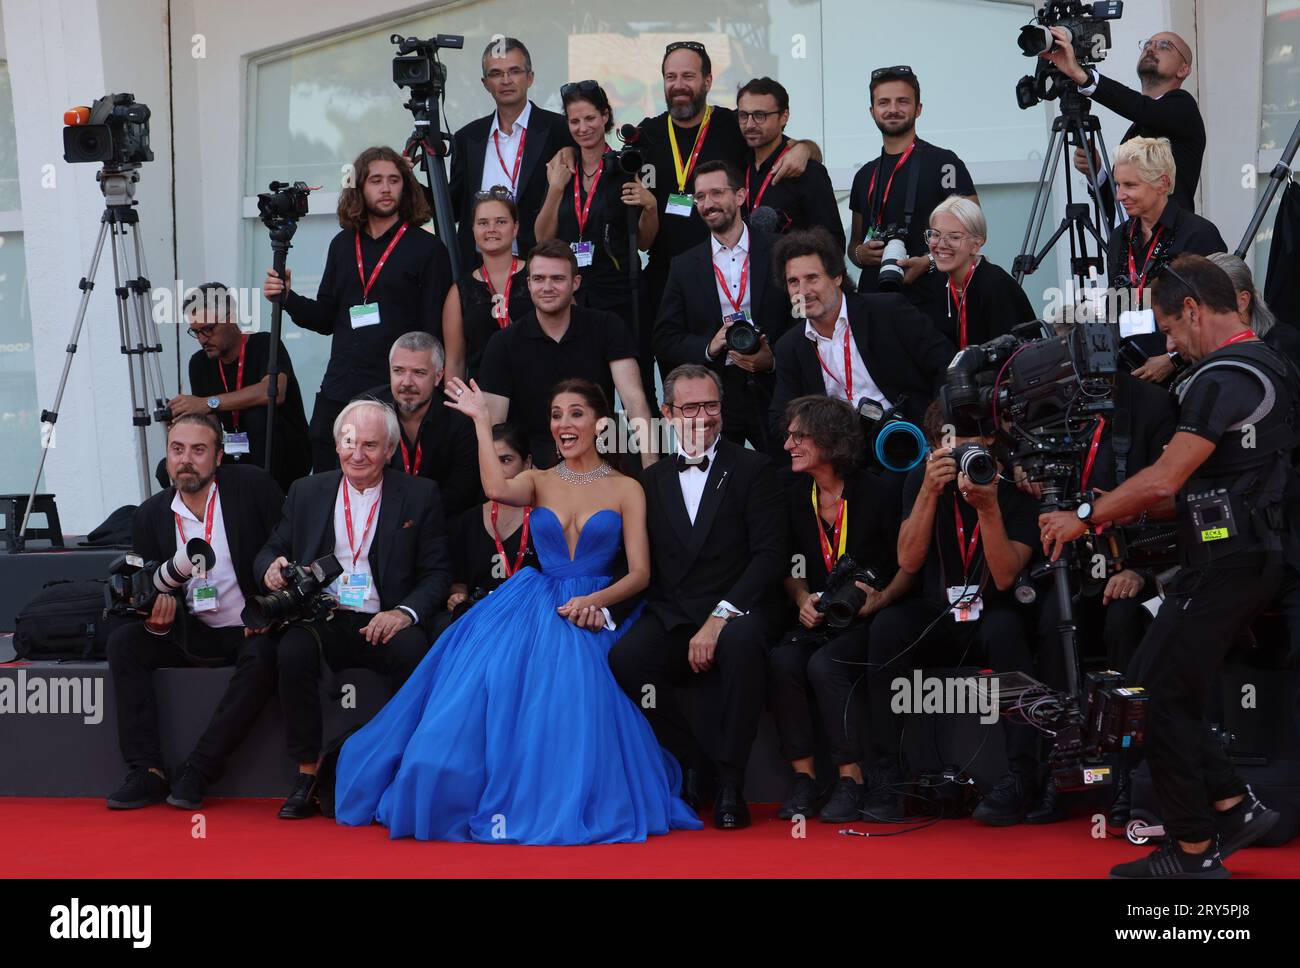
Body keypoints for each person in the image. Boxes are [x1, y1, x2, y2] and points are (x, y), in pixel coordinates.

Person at [332, 377, 702, 844]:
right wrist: (482, 422)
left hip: (591, 609)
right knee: (487, 681)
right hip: (532, 603)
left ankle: (553, 797)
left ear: (601, 423)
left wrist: (595, 601)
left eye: (575, 413)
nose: (564, 424)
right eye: (556, 414)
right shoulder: (539, 480)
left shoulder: (627, 488)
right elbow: (493, 485)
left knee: (574, 698)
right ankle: (478, 788)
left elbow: (641, 573)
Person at [1039, 255, 1299, 877]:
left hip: (1231, 562)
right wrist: (1121, 513)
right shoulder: (1258, 369)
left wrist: (1086, 514)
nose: (1168, 344)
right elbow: (1202, 490)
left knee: (1149, 698)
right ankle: (1233, 810)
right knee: (1159, 695)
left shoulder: (1226, 375)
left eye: (1169, 328)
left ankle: (1193, 849)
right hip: (1236, 557)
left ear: (1191, 309)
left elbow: (1163, 480)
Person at [608, 364, 789, 829]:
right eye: (691, 407)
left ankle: (731, 781)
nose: (703, 416)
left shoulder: (754, 468)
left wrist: (719, 618)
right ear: (668, 413)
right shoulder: (647, 483)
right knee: (626, 658)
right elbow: (637, 566)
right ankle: (692, 760)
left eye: (712, 405)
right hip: (673, 613)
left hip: (738, 608)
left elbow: (769, 558)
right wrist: (602, 610)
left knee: (743, 643)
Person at [254, 399, 451, 820]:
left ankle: (403, 769)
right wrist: (270, 567)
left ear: (390, 450)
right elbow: (273, 547)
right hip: (325, 617)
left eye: (370, 444)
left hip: (386, 618)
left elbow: (437, 574)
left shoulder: (420, 494)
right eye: (348, 442)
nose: (357, 454)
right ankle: (307, 774)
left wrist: (403, 613)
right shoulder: (307, 491)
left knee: (416, 653)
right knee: (291, 651)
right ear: (336, 443)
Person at [865, 403, 1042, 824]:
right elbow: (908, 560)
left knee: (1006, 632)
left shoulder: (1014, 485)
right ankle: (887, 775)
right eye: (951, 449)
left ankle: (1022, 776)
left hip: (994, 610)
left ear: (991, 444)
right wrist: (928, 491)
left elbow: (1003, 577)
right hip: (938, 611)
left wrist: (988, 507)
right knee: (887, 628)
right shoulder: (920, 481)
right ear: (933, 449)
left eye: (972, 448)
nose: (962, 460)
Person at [105, 414, 284, 811]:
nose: (186, 460)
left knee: (266, 657)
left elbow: (283, 548)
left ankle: (199, 770)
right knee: (125, 644)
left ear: (219, 456)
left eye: (198, 450)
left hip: (252, 625)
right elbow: (148, 585)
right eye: (177, 450)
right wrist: (154, 617)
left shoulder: (253, 488)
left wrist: (271, 611)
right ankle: (146, 771)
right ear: (167, 458)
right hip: (191, 628)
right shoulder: (151, 514)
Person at [635, 41, 819, 396]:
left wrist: (806, 148)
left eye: (688, 75)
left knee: (761, 391)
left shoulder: (730, 124)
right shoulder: (648, 134)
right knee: (688, 397)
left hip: (739, 271)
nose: (679, 84)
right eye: (671, 76)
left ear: (707, 79)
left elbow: (790, 146)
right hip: (672, 282)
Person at [262, 145, 454, 473]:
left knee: (383, 480)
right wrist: (288, 297)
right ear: (359, 187)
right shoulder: (342, 244)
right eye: (376, 180)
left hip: (391, 392)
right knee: (325, 468)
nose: (386, 188)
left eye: (395, 180)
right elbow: (326, 317)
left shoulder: (428, 249)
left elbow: (432, 332)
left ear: (406, 187)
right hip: (339, 384)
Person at [769, 396, 910, 823]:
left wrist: (878, 598)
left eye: (800, 437)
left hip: (872, 617)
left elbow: (908, 564)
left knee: (825, 666)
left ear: (830, 441)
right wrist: (801, 599)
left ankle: (852, 778)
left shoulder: (879, 492)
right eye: (788, 436)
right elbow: (787, 564)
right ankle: (804, 779)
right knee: (782, 661)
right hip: (818, 616)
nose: (789, 445)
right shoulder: (792, 495)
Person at [475, 240, 655, 469]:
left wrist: (651, 465)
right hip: (536, 467)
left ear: (575, 283)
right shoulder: (503, 343)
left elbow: (634, 400)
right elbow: (495, 426)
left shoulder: (607, 326)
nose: (547, 287)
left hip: (602, 455)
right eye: (539, 279)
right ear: (529, 284)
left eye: (557, 278)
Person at [653, 161, 793, 451]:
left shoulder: (782, 250)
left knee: (785, 478)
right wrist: (708, 346)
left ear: (740, 196)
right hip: (715, 393)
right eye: (700, 196)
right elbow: (665, 339)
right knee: (721, 483)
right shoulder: (683, 265)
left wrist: (773, 359)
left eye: (716, 193)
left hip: (775, 386)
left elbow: (803, 320)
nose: (707, 204)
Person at [770, 228, 956, 442]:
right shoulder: (790, 347)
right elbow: (779, 420)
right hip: (842, 456)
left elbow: (946, 364)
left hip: (910, 440)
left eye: (812, 278)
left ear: (837, 277)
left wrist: (937, 426)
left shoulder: (889, 311)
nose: (802, 291)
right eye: (793, 281)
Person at [847, 65, 977, 317]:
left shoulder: (944, 163)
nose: (893, 109)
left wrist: (929, 261)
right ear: (872, 111)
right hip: (875, 303)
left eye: (902, 101)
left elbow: (974, 233)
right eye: (884, 102)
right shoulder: (864, 175)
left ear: (918, 109)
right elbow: (854, 245)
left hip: (935, 303)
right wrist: (860, 254)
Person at [535, 80, 658, 337]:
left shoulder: (626, 166)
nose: (583, 128)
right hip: (572, 294)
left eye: (590, 118)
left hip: (619, 293)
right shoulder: (562, 167)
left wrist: (650, 208)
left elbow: (644, 243)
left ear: (605, 116)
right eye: (574, 121)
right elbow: (543, 238)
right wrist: (556, 188)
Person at [1040, 27, 1205, 219]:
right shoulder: (1138, 125)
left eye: (1164, 46)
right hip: (1129, 245)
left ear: (1183, 69)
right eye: (1147, 44)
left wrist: (1083, 76)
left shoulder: (1183, 107)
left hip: (1168, 243)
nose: (1151, 48)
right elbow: (1117, 208)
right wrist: (1096, 172)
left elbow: (1141, 108)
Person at [448, 37, 575, 274]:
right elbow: (452, 207)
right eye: (496, 74)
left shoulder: (560, 129)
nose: (506, 80)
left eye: (514, 71)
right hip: (478, 269)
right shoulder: (467, 137)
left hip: (540, 266)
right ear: (485, 83)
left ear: (530, 77)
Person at [168, 282, 310, 492]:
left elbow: (273, 391)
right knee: (172, 466)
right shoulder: (199, 363)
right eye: (196, 332)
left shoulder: (264, 344)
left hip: (284, 454)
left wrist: (208, 403)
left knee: (257, 415)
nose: (202, 339)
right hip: (234, 455)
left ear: (231, 317)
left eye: (208, 329)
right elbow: (211, 424)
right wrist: (183, 421)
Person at [1105, 137, 1225, 383]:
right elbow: (1116, 305)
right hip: (1128, 373)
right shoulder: (1120, 236)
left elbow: (1219, 313)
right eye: (1118, 184)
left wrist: (1172, 359)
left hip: (1185, 375)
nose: (1119, 195)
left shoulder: (1198, 234)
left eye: (1130, 185)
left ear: (1162, 183)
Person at [359, 332, 480, 518]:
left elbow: (461, 494)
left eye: (419, 373)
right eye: (398, 371)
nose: (407, 382)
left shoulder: (460, 421)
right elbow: (352, 478)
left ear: (438, 376)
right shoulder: (362, 411)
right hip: (375, 519)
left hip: (439, 523)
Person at [443, 423, 538, 639]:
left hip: (528, 618)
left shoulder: (545, 520)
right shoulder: (467, 521)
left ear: (528, 463)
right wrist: (457, 596)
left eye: (505, 460)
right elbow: (459, 584)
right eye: (490, 461)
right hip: (478, 616)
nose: (496, 470)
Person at [737, 77, 844, 251]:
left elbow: (833, 243)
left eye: (759, 115)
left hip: (788, 276)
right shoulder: (738, 166)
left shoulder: (809, 172)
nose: (749, 124)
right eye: (743, 115)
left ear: (783, 117)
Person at [441, 187, 534, 382]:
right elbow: (455, 362)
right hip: (483, 399)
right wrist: (459, 409)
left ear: (515, 228)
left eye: (501, 222)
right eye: (483, 223)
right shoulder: (460, 291)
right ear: (473, 229)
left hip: (538, 390)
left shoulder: (538, 276)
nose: (491, 229)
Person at [922, 197, 1035, 349]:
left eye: (954, 237)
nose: (941, 244)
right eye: (935, 235)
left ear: (976, 244)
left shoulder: (996, 285)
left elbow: (1014, 359)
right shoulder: (935, 282)